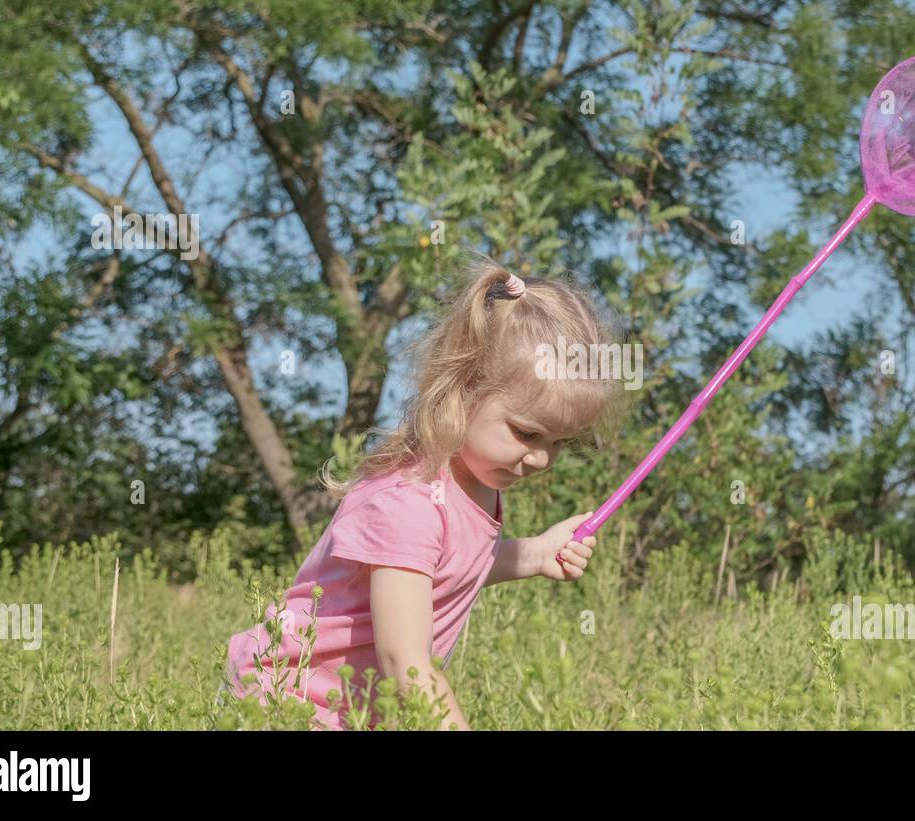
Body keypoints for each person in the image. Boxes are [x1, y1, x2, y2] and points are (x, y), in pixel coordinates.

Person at [219, 254, 626, 730]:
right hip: (284, 702)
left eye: (560, 443)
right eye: (527, 433)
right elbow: (406, 667)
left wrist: (534, 555)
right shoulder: (409, 502)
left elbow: (446, 570)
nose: (540, 458)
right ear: (464, 387)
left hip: (351, 708)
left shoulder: (471, 482)